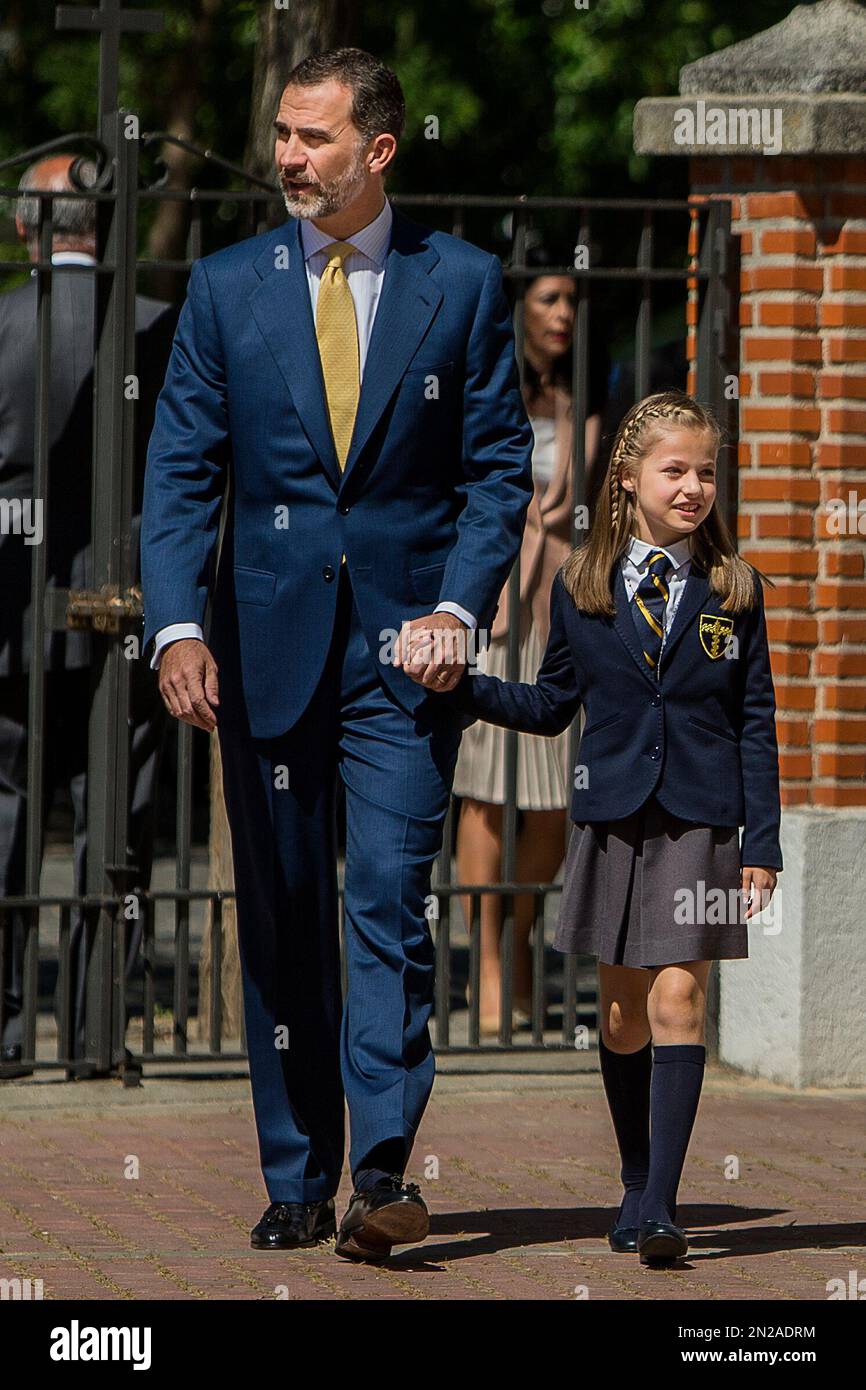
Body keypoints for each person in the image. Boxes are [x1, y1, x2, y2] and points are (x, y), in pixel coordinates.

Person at [140, 48, 533, 1264]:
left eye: (313, 138)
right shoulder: (224, 288)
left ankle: (379, 1170)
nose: (287, 159)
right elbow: (179, 470)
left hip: (404, 662)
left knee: (386, 900)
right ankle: (297, 1173)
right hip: (260, 649)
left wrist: (459, 615)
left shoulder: (458, 283)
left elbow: (495, 474)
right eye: (280, 136)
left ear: (378, 150)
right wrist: (178, 624)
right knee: (286, 911)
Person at [432, 389, 782, 1266]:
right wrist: (463, 686)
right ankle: (635, 1180)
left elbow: (757, 723)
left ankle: (662, 1207)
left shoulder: (734, 589)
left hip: (702, 826)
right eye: (675, 470)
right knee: (622, 1013)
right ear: (627, 480)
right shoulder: (581, 588)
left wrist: (762, 847)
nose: (694, 486)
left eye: (706, 471)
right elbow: (552, 705)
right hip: (614, 823)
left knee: (678, 999)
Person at [0, 155, 176, 1080]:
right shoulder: (155, 328)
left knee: (8, 815)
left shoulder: (0, 324)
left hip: (13, 620)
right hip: (130, 612)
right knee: (118, 819)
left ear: (30, 229)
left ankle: (5, 1027)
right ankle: (101, 1029)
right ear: (104, 230)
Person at [452, 246, 609, 1034]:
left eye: (571, 301)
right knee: (483, 795)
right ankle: (484, 962)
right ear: (519, 307)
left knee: (554, 803)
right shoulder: (487, 394)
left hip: (554, 621)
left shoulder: (582, 402)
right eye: (549, 298)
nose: (562, 315)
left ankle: (518, 938)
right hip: (492, 615)